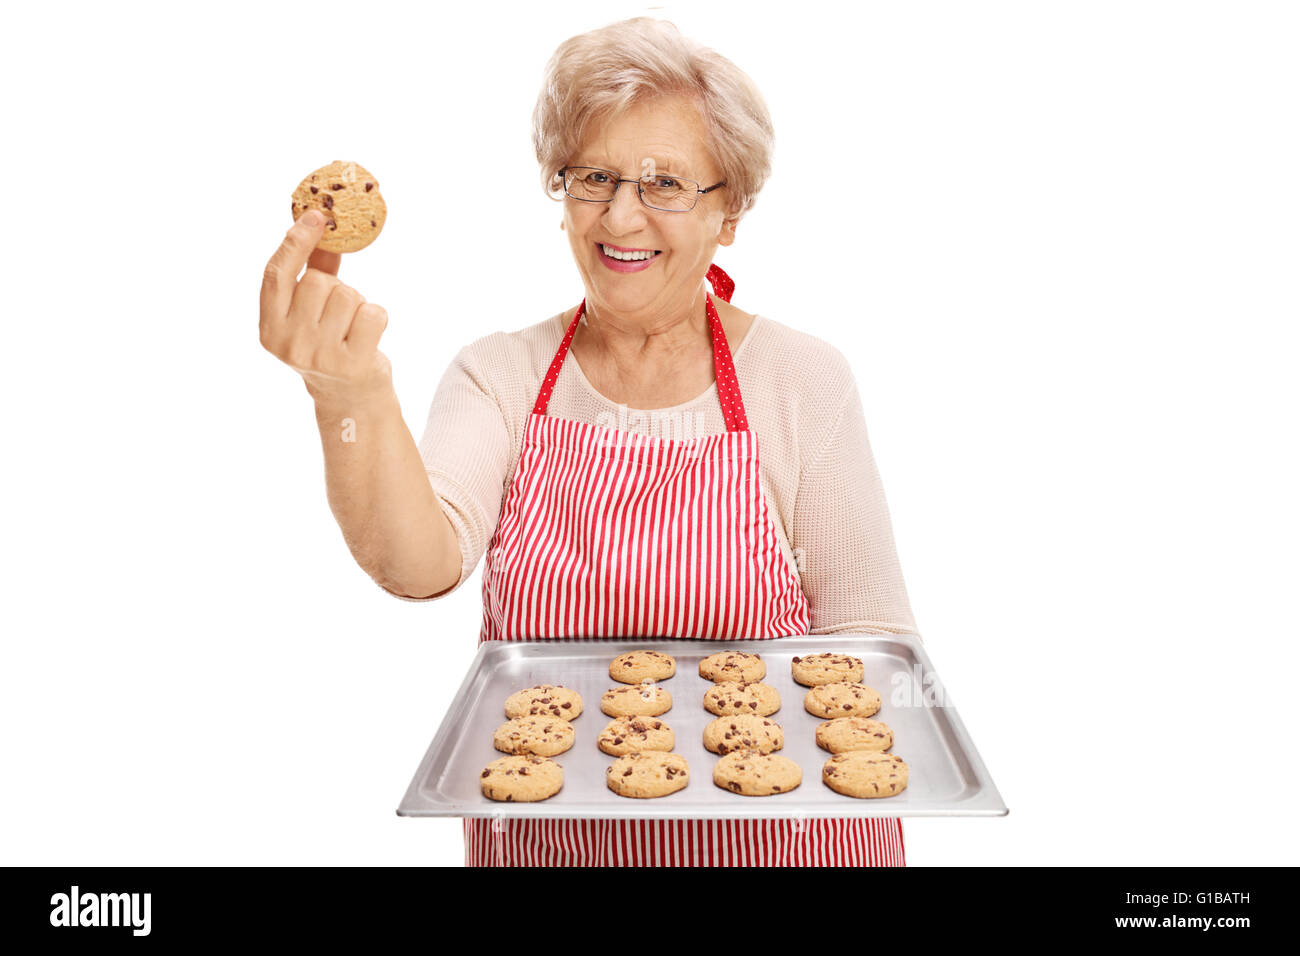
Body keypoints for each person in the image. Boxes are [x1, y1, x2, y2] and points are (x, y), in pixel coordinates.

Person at [260, 16, 918, 866]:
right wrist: (348, 393)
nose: (621, 216)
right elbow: (415, 564)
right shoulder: (498, 374)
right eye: (594, 177)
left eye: (667, 183)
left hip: (778, 847)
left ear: (732, 212)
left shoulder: (802, 380)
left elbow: (870, 652)